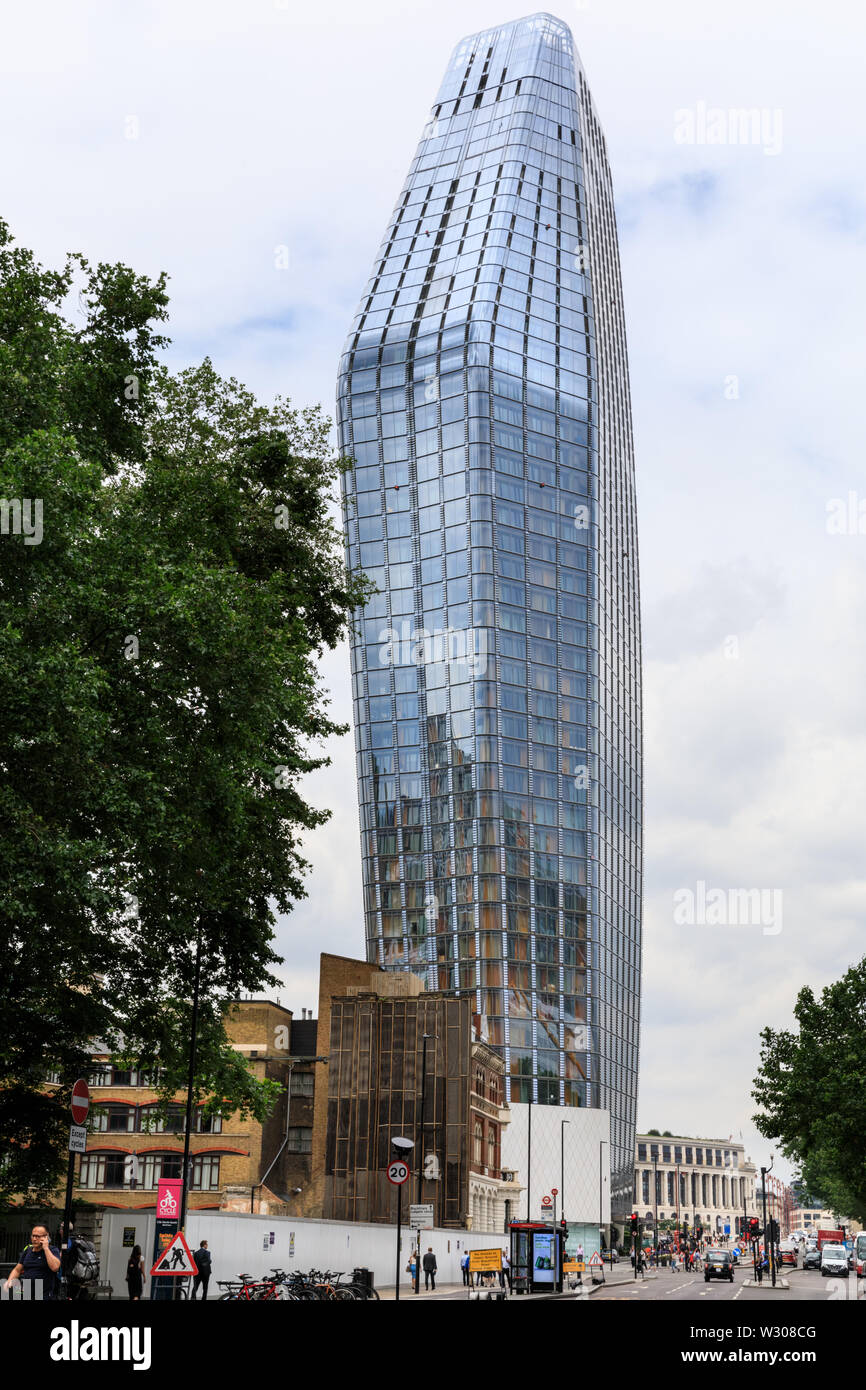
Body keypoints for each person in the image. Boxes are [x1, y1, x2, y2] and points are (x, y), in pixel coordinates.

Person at [4, 1224, 62, 1299]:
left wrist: (46, 1248)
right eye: (33, 1236)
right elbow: (17, 1270)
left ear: (46, 1237)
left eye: (38, 1236)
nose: (34, 1239)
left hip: (43, 1294)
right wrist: (9, 1280)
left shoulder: (53, 1250)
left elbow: (55, 1268)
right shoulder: (27, 1251)